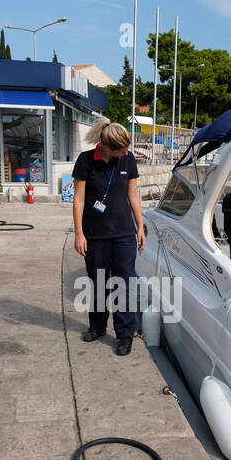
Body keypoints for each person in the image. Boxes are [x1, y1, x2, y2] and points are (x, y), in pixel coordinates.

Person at [73, 119, 144, 355]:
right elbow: (79, 199)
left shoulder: (128, 159)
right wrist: (79, 233)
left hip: (124, 233)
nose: (126, 152)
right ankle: (98, 327)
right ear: (106, 146)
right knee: (99, 283)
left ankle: (125, 335)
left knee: (124, 284)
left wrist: (140, 226)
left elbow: (133, 195)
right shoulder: (85, 161)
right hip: (95, 235)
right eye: (121, 149)